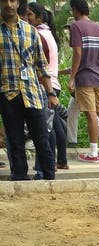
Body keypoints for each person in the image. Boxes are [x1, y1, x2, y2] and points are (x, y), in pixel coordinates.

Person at [0, 0, 57, 180]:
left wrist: (51, 93)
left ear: (17, 3)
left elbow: (41, 65)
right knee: (15, 141)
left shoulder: (31, 31)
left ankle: (49, 179)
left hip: (32, 93)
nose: (9, 4)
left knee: (42, 139)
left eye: (12, 0)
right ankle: (20, 179)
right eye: (5, 0)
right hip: (8, 94)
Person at [68, 0, 99, 163]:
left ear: (75, 10)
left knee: (91, 115)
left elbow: (78, 54)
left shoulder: (76, 27)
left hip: (85, 77)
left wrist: (72, 77)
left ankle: (93, 153)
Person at [26, 2, 67, 170]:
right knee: (55, 125)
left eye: (29, 15)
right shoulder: (49, 34)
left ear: (39, 17)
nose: (27, 19)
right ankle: (61, 160)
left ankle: (47, 165)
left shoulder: (38, 35)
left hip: (45, 86)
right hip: (52, 84)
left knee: (46, 128)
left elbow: (41, 65)